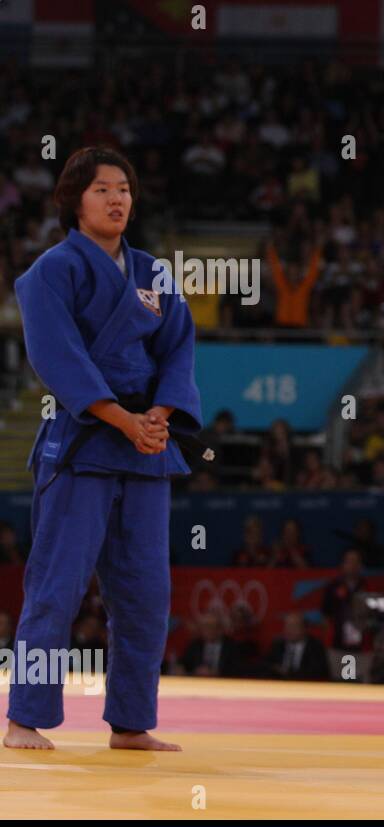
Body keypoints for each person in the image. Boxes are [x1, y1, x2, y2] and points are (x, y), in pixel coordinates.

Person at [6, 148, 202, 752]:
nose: (117, 200)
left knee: (146, 594)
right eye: (102, 190)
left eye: (124, 190)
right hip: (85, 442)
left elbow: (178, 350)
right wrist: (120, 418)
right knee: (56, 586)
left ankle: (131, 722)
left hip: (144, 447)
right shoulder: (51, 271)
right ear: (74, 200)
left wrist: (156, 419)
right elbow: (56, 356)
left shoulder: (154, 273)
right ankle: (23, 719)